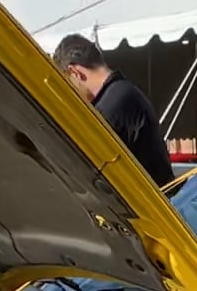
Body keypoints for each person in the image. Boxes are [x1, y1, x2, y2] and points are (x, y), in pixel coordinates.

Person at [51, 34, 176, 187]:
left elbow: (85, 171)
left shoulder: (111, 106)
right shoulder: (122, 92)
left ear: (74, 73)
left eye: (67, 83)